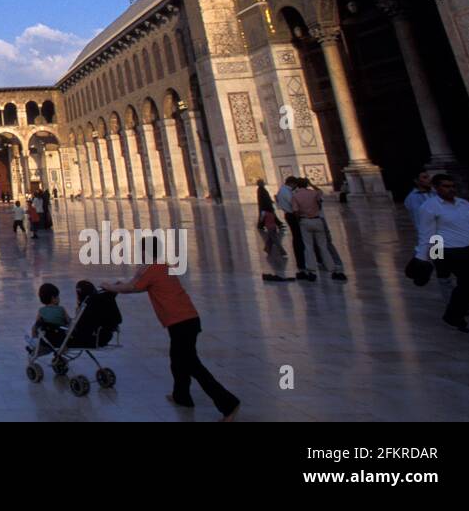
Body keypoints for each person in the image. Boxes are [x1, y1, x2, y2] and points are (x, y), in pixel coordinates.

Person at [103, 237, 240, 421]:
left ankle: (228, 404)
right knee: (177, 360)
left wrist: (109, 287)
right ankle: (181, 396)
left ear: (145, 252)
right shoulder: (159, 266)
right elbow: (137, 282)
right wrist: (120, 285)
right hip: (185, 320)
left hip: (182, 322)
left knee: (192, 365)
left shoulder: (153, 269)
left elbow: (133, 287)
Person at [415, 173, 469, 333]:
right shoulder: (429, 207)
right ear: (436, 188)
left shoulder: (464, 204)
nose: (451, 189)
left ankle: (452, 315)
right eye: (446, 186)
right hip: (452, 252)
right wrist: (424, 257)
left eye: (452, 186)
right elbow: (427, 234)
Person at [291, 178, 345, 282]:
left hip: (305, 221)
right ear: (306, 184)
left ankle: (311, 270)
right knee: (323, 246)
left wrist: (300, 219)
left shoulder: (295, 196)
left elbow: (295, 211)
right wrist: (311, 184)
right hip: (317, 220)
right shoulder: (314, 193)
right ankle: (331, 268)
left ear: (297, 185)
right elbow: (321, 192)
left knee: (308, 246)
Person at [255, 180, 290, 282]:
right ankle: (281, 251)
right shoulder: (261, 190)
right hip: (267, 211)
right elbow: (263, 201)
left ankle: (268, 248)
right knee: (273, 235)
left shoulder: (261, 190)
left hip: (267, 212)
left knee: (271, 236)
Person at [275, 175, 307, 279]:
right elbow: (294, 204)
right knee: (298, 237)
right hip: (292, 215)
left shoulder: (283, 190)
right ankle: (301, 260)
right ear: (292, 183)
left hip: (289, 214)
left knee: (297, 237)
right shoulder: (286, 191)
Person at [28, 283, 70, 348]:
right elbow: (68, 321)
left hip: (46, 338)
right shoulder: (61, 309)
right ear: (53, 298)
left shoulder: (41, 310)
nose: (59, 298)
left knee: (34, 327)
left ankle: (34, 340)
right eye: (58, 296)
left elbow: (37, 324)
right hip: (60, 339)